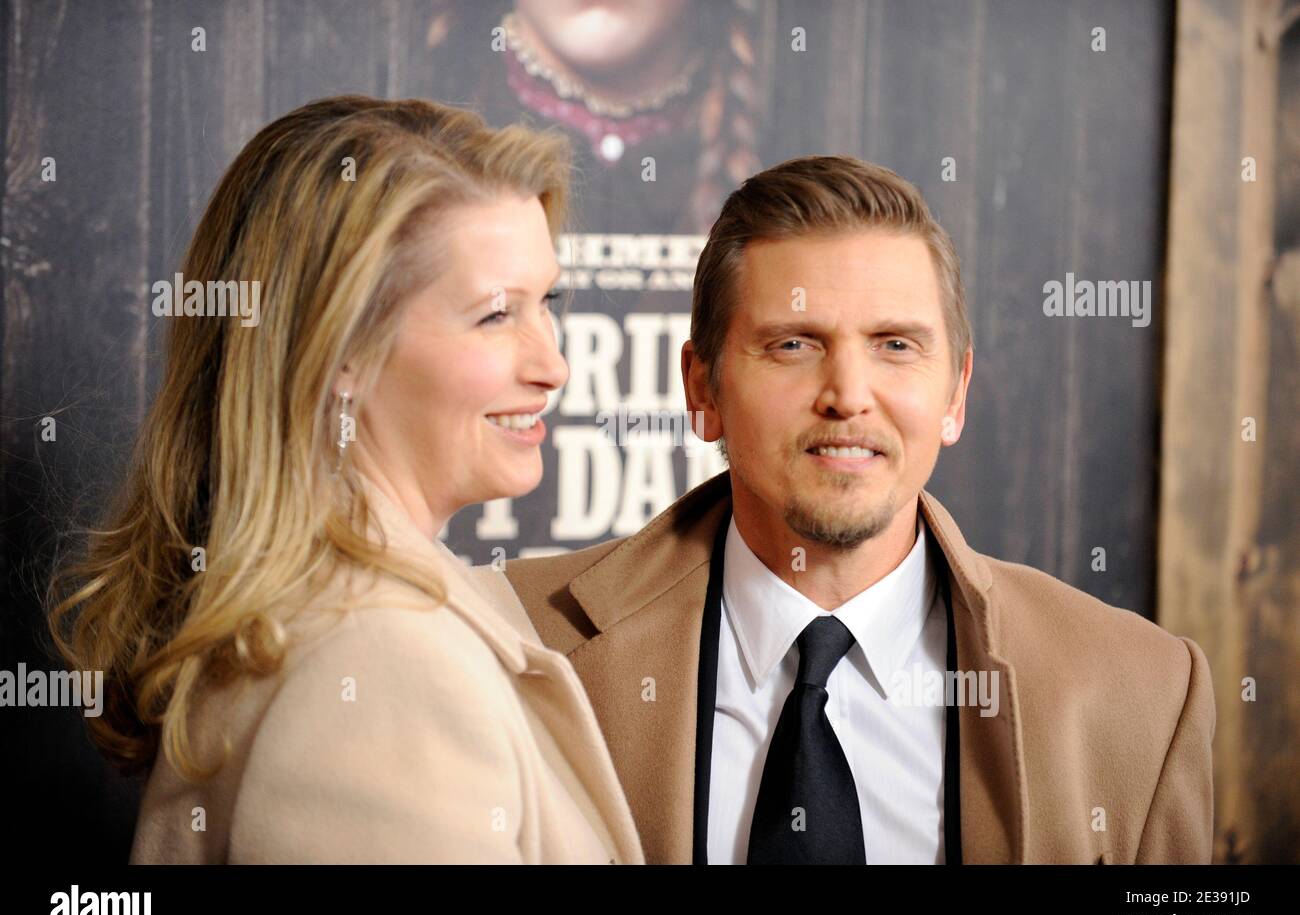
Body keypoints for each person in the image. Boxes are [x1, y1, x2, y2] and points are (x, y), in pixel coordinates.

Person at [499, 155, 1215, 864]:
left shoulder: (1143, 694)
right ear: (702, 388)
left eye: (895, 345)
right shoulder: (509, 645)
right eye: (794, 344)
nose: (847, 393)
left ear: (955, 393)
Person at [47, 94, 643, 864]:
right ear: (341, 353)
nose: (552, 364)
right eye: (496, 315)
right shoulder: (385, 666)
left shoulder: (347, 618)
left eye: (547, 303)